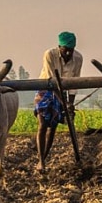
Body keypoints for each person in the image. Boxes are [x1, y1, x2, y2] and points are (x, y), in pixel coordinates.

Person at [34, 31, 84, 171]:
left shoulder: (78, 58)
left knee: (53, 126)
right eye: (65, 50)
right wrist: (64, 103)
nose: (68, 54)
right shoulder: (49, 55)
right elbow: (52, 80)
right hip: (46, 88)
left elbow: (74, 82)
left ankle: (44, 157)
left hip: (63, 92)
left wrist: (71, 104)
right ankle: (41, 161)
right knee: (43, 123)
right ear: (59, 47)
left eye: (71, 50)